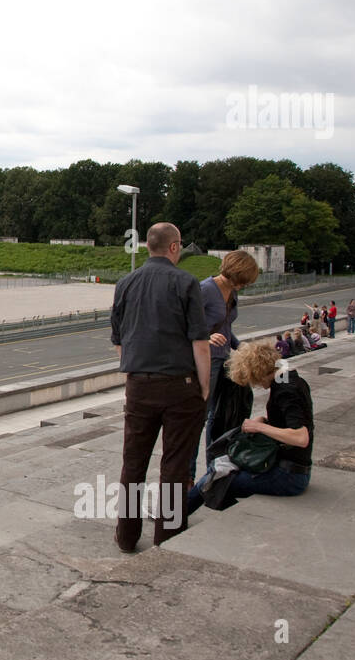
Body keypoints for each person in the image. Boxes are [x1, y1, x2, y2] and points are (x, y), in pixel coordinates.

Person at [109, 222, 210, 551]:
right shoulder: (186, 282)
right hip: (180, 387)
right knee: (175, 466)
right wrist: (204, 387)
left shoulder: (125, 283)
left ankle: (126, 537)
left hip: (138, 386)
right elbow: (200, 343)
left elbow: (119, 342)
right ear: (174, 247)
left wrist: (134, 376)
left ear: (148, 247)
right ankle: (166, 537)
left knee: (133, 463)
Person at [188, 342, 313, 513]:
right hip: (290, 467)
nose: (255, 384)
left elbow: (301, 437)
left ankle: (173, 515)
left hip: (289, 476)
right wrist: (265, 421)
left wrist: (259, 427)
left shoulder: (286, 390)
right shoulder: (289, 379)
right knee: (219, 469)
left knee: (216, 478)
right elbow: (293, 420)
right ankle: (179, 511)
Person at [196, 249, 260, 477]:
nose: (242, 286)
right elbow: (183, 323)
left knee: (221, 414)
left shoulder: (232, 292)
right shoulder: (204, 290)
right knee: (199, 417)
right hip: (205, 360)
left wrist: (240, 347)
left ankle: (214, 466)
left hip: (225, 359)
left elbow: (225, 327)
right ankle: (188, 477)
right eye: (242, 281)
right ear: (233, 273)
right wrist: (205, 335)